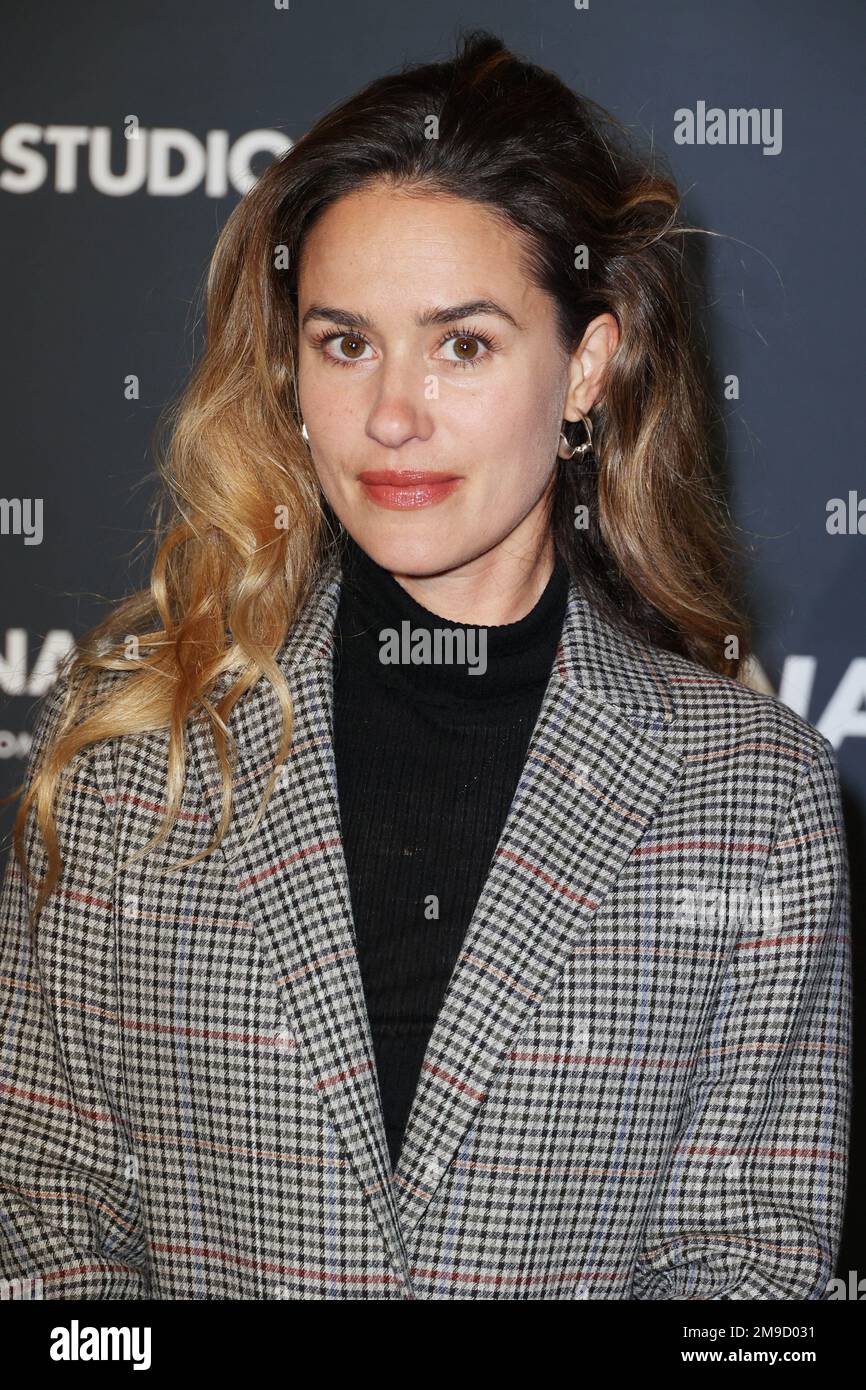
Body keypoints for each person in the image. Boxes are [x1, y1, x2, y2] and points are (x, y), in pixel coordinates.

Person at [0, 29, 851, 1300]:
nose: (392, 414)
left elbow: (746, 1278)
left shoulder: (744, 796)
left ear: (587, 368)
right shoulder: (141, 746)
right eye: (345, 342)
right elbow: (45, 1219)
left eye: (462, 343)